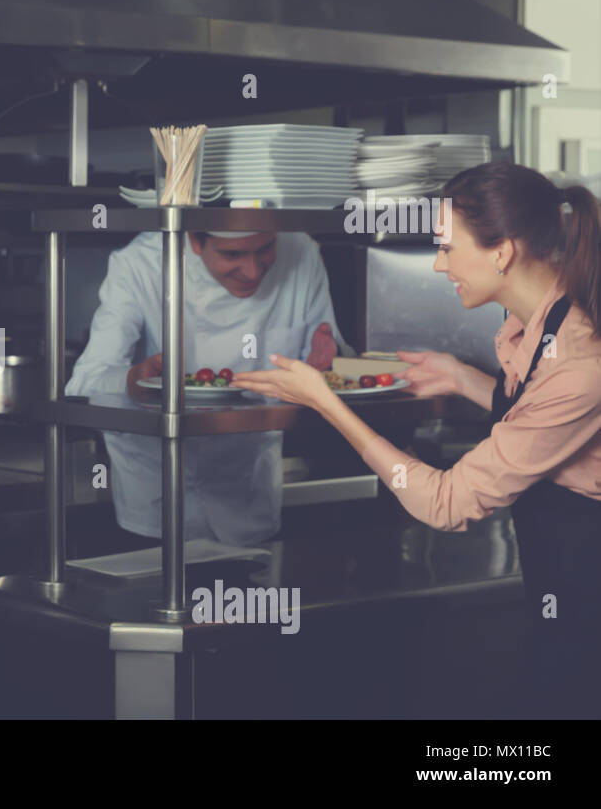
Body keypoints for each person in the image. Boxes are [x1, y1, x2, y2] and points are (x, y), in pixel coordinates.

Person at [231, 162, 601, 718]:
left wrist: (326, 403)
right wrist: (460, 376)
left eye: (448, 248)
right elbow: (537, 417)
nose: (438, 263)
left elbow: (446, 503)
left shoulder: (579, 356)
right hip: (567, 598)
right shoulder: (539, 321)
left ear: (501, 251)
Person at [66, 229, 344, 545]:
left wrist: (329, 362)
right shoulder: (140, 264)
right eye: (232, 255)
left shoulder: (301, 251)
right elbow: (86, 381)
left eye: (265, 247)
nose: (252, 271)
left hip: (250, 493)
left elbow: (325, 356)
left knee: (246, 594)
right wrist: (133, 379)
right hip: (155, 498)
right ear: (195, 242)